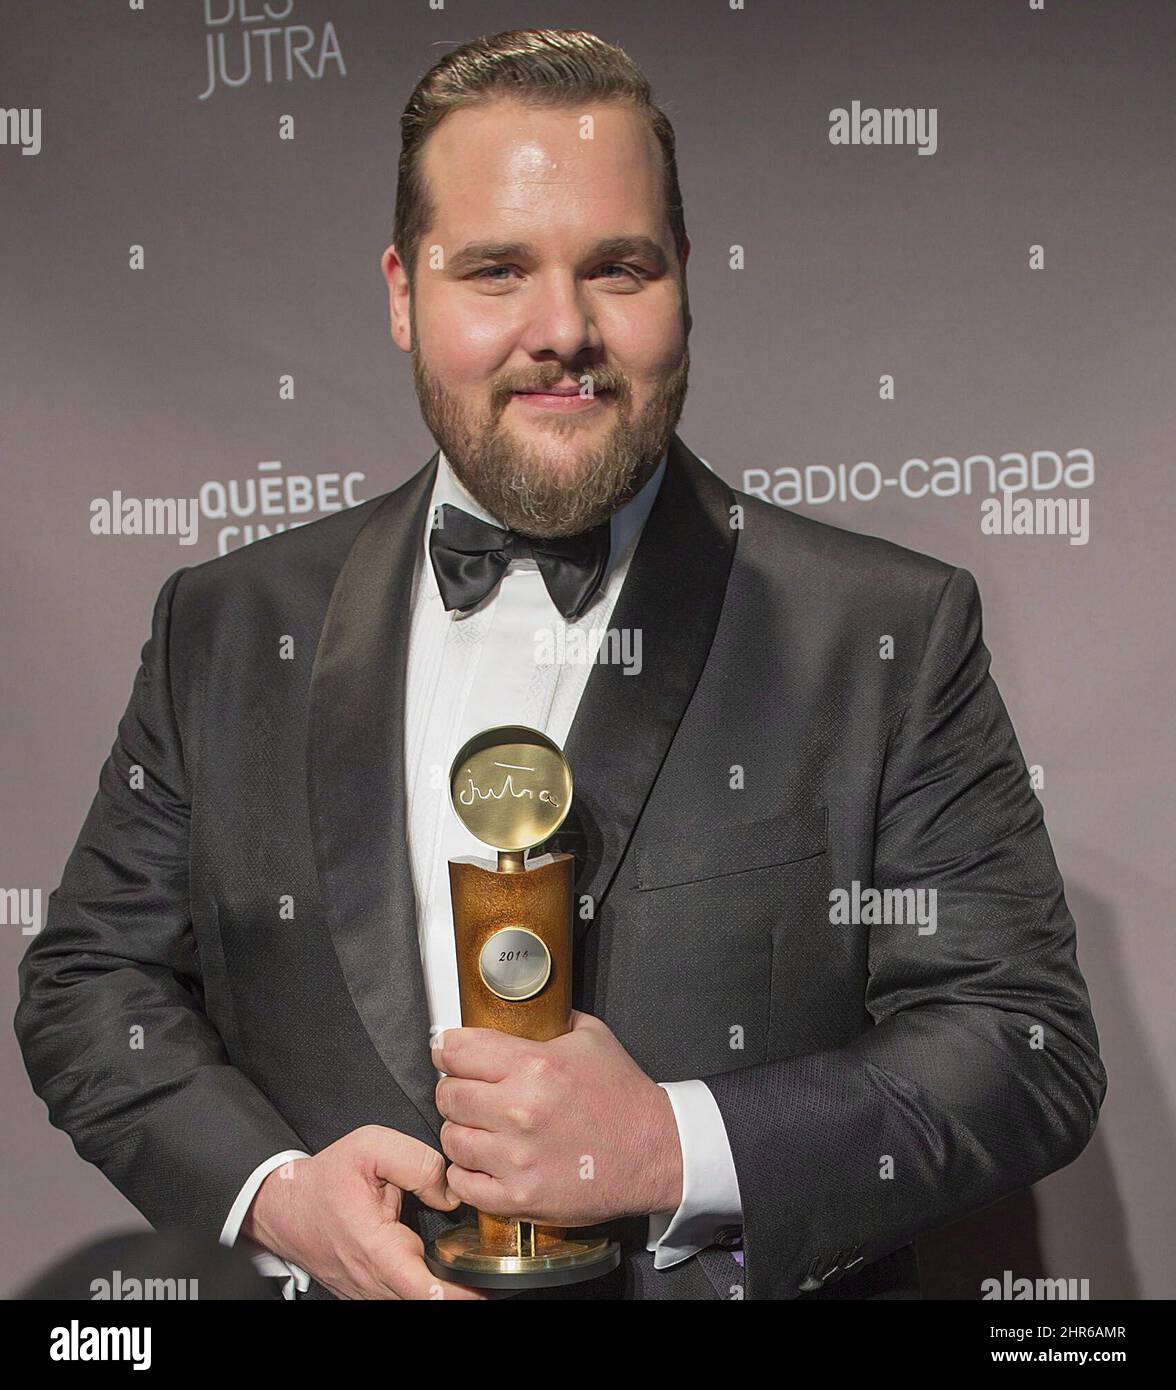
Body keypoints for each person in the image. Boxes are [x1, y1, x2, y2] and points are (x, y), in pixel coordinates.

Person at [16, 28, 1106, 1302]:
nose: (562, 329)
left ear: (686, 282)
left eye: (619, 267)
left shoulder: (885, 632)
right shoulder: (225, 622)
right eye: (494, 269)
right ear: (401, 291)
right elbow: (92, 982)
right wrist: (279, 1198)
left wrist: (672, 1144)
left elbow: (1024, 1052)